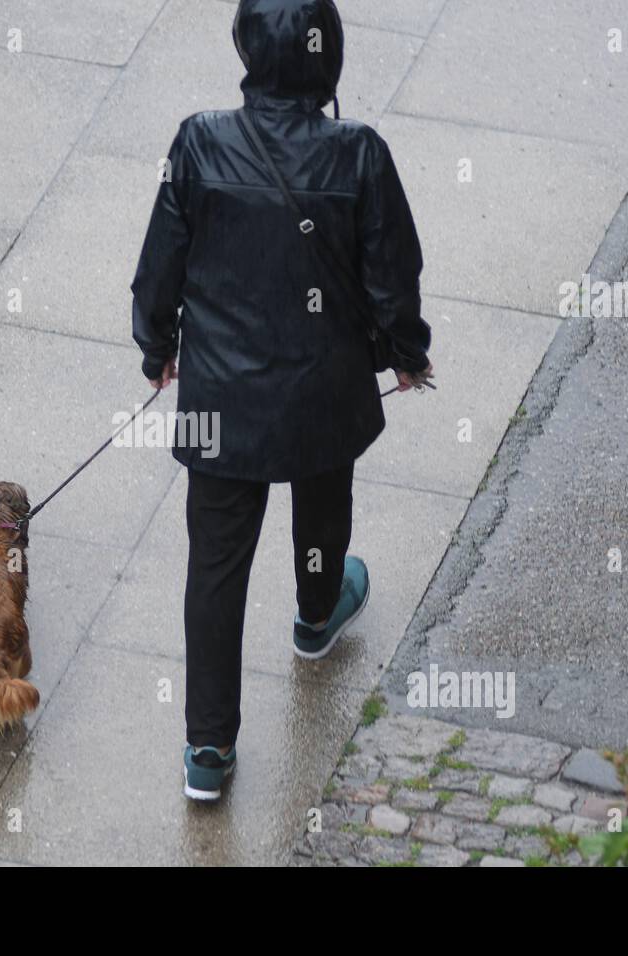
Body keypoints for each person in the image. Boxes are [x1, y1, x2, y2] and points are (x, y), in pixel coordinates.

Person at [131, 0, 434, 800]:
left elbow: (160, 259)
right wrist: (408, 353)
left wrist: (156, 347)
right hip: (320, 386)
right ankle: (315, 610)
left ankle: (207, 749)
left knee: (216, 564)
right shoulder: (359, 153)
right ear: (326, 52)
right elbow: (393, 272)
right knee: (324, 495)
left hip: (223, 396)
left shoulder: (197, 141)